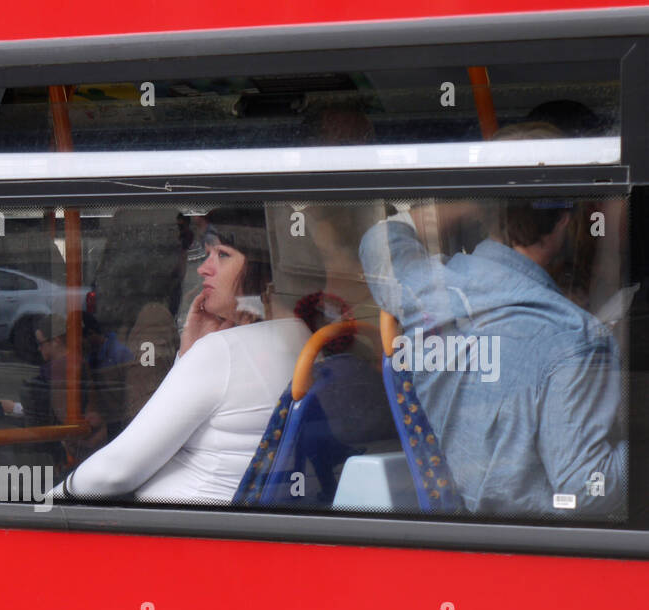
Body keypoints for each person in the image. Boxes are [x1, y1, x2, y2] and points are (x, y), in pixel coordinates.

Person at [358, 134, 626, 517]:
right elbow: (586, 492)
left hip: (467, 526)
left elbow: (380, 239)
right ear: (565, 221)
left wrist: (480, 201)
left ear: (484, 212)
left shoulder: (431, 290)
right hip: (541, 541)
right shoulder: (574, 338)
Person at [51, 209, 309, 504]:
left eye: (223, 255)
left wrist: (46, 503)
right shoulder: (299, 334)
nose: (203, 269)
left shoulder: (222, 351)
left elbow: (115, 471)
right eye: (207, 253)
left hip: (182, 523)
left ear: (263, 268)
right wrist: (188, 354)